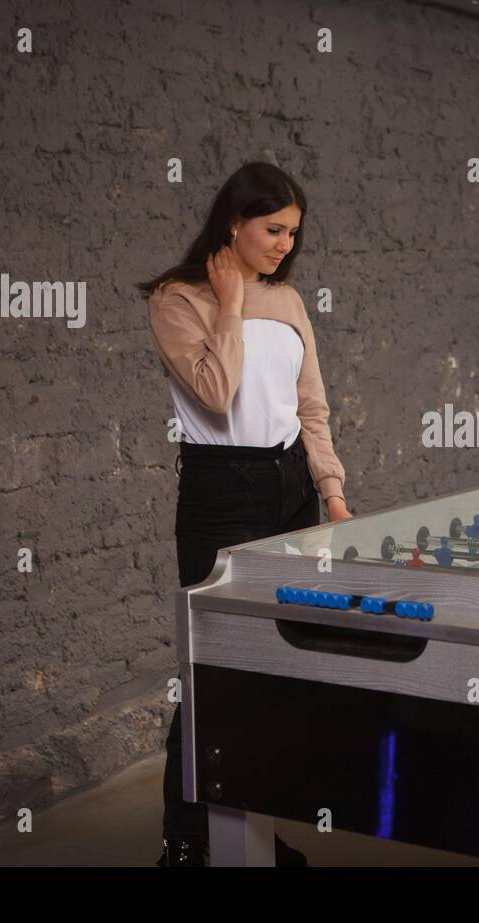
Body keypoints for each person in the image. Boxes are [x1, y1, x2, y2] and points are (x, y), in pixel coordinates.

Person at [137, 161, 352, 867]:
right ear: (234, 221)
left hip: (291, 488)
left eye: (293, 232)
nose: (285, 244)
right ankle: (188, 841)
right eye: (272, 229)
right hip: (222, 495)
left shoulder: (288, 302)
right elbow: (218, 394)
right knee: (212, 674)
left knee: (278, 669)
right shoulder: (176, 299)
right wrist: (228, 302)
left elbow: (311, 406)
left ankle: (249, 834)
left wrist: (334, 493)